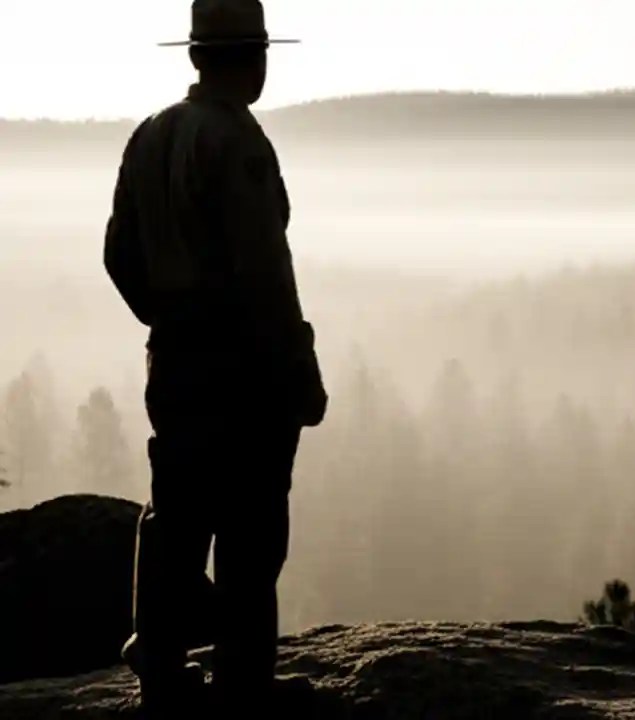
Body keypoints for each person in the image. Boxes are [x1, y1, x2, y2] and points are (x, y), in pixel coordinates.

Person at [102, 0, 327, 715]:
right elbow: (264, 268)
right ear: (252, 57)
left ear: (197, 55)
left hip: (173, 361)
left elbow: (118, 254)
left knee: (177, 507)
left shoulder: (150, 136)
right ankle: (243, 680)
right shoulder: (237, 144)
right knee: (252, 526)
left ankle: (159, 661)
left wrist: (164, 316)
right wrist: (298, 366)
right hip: (243, 368)